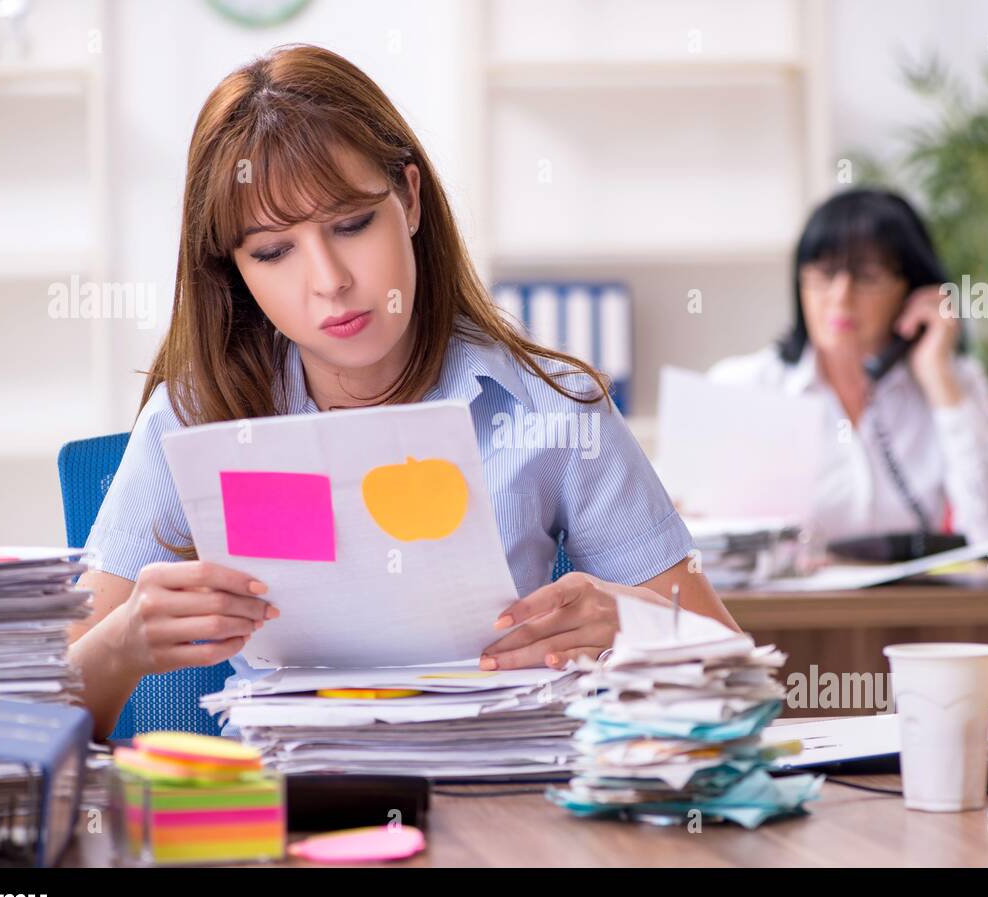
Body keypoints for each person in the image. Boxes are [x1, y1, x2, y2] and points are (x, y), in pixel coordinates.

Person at [66, 44, 737, 740]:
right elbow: (37, 724)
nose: (328, 280)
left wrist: (638, 622)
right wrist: (121, 644)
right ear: (235, 270)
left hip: (510, 815)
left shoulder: (553, 405)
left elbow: (737, 682)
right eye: (272, 251)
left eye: (351, 224)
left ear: (410, 198)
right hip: (288, 821)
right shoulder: (192, 417)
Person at [708, 189, 988, 545]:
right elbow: (693, 542)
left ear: (913, 290)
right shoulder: (742, 387)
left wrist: (939, 379)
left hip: (916, 602)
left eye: (867, 276)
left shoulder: (955, 382)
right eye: (824, 273)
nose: (840, 296)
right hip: (790, 601)